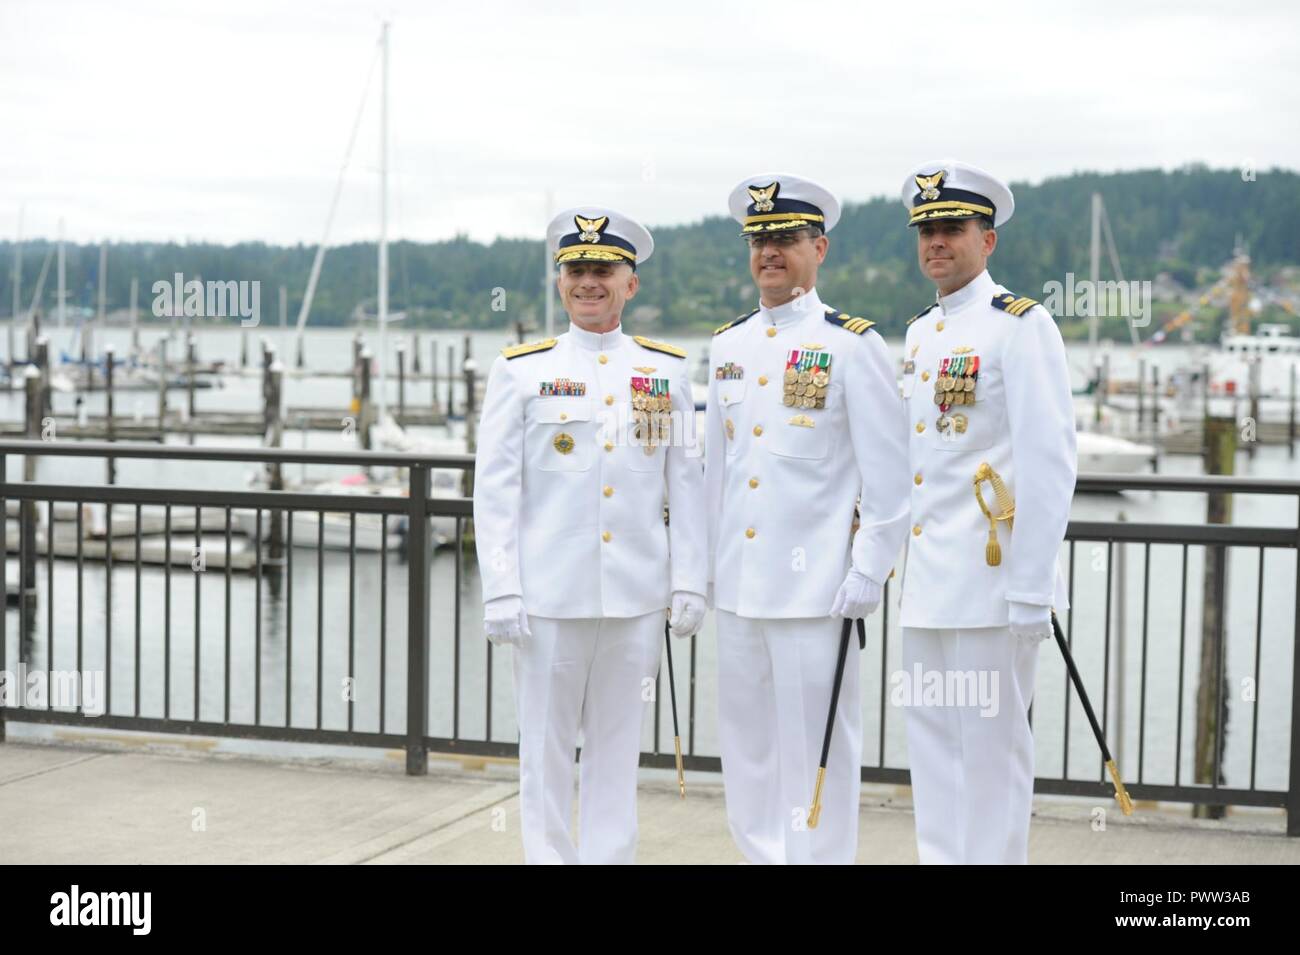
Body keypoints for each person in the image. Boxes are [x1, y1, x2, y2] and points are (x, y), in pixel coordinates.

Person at [473, 208, 708, 864]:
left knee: (616, 754)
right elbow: (495, 491)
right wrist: (501, 589)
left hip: (634, 598)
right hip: (548, 597)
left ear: (630, 283)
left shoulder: (667, 372)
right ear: (559, 284)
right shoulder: (520, 371)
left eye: (602, 270)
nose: (587, 281)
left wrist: (690, 576)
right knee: (543, 757)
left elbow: (685, 480)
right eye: (575, 270)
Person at [704, 174, 910, 864]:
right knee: (749, 753)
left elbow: (890, 477)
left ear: (818, 249)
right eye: (760, 240)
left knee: (819, 755)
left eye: (786, 239)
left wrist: (869, 569)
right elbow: (716, 475)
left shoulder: (854, 346)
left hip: (816, 591)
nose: (770, 252)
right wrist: (699, 574)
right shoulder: (727, 348)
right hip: (738, 589)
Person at [895, 159, 1077, 864]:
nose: (936, 241)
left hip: (994, 584)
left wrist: (1033, 587)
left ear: (987, 239)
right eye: (926, 229)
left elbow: (1049, 461)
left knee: (993, 758)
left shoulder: (1020, 327)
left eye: (952, 227)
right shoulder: (919, 334)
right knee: (934, 755)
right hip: (930, 586)